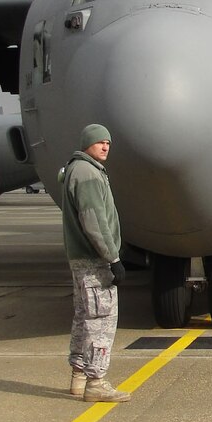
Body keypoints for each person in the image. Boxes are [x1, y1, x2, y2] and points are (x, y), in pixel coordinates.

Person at [62, 124, 130, 403]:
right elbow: (94, 221)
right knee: (100, 320)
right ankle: (96, 381)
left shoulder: (76, 170)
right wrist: (113, 258)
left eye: (108, 143)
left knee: (83, 316)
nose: (105, 147)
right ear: (87, 143)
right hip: (95, 261)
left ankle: (79, 375)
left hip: (82, 260)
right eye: (100, 142)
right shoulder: (88, 173)